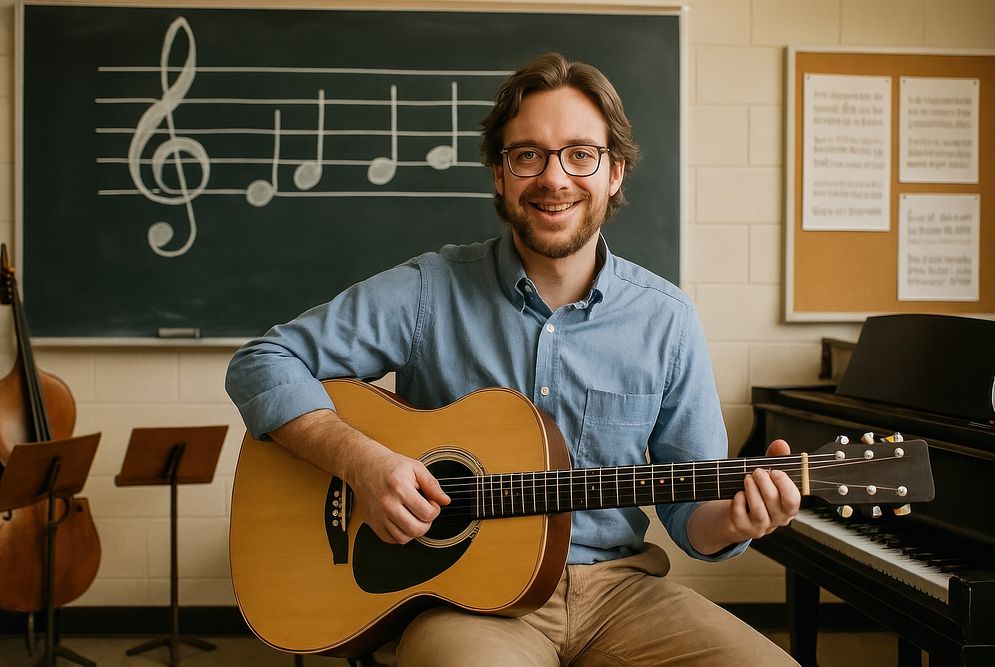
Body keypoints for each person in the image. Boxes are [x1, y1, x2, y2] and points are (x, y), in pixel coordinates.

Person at [226, 52, 800, 666]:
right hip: (467, 606)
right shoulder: (429, 289)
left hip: (621, 594)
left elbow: (694, 515)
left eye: (581, 154)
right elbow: (263, 360)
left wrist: (738, 520)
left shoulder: (668, 319)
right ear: (500, 175)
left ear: (615, 174)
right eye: (528, 154)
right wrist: (363, 463)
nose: (555, 178)